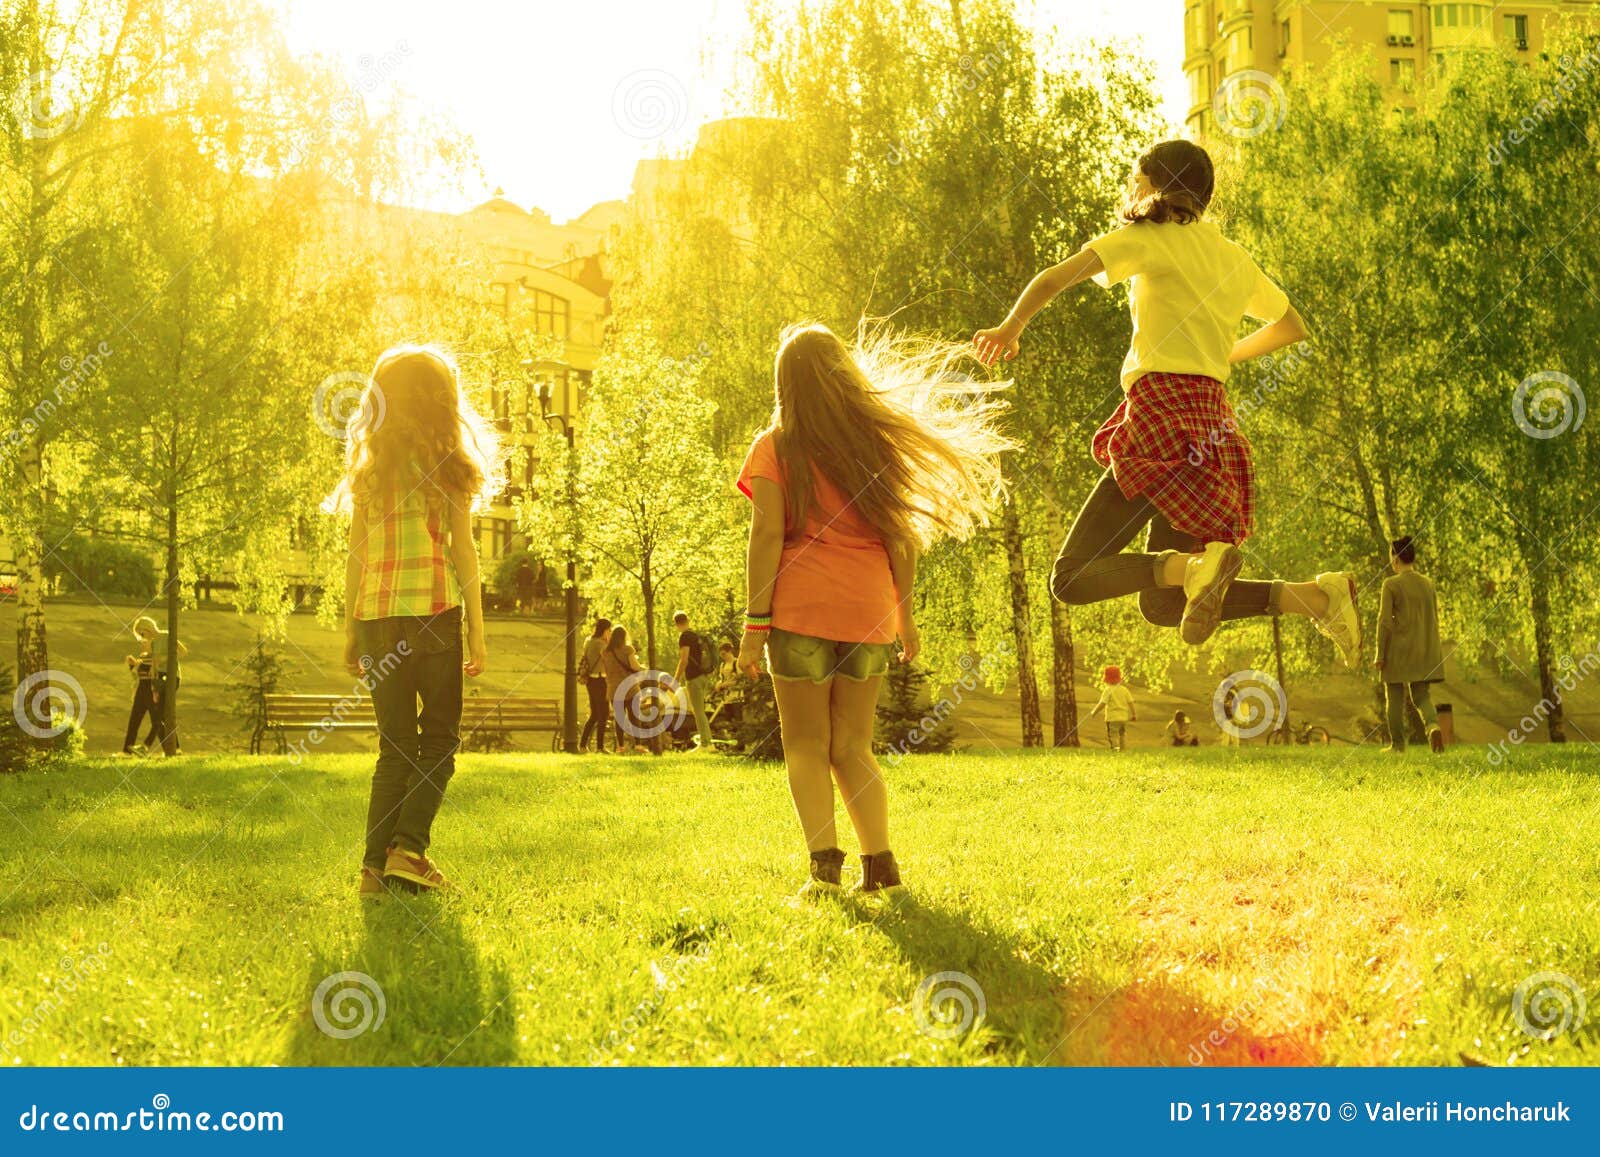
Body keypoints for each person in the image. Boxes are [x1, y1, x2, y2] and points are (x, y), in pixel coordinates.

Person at [973, 139, 1361, 666]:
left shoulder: (1148, 235)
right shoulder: (1232, 256)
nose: (1132, 188)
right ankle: (1316, 597)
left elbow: (1055, 277)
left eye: (1137, 178)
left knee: (1072, 577)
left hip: (1158, 419)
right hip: (1212, 427)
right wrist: (1219, 353)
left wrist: (1010, 327)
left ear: (1156, 185)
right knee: (1163, 602)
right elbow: (1291, 326)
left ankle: (1196, 568)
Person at [736, 323, 1012, 898]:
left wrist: (753, 625)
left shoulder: (775, 447)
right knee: (853, 747)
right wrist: (904, 617)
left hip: (800, 612)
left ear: (785, 384)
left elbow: (765, 535)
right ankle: (880, 867)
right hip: (868, 614)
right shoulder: (875, 447)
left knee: (807, 745)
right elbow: (901, 541)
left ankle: (824, 872)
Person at [325, 343, 496, 899]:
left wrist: (352, 627)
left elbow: (356, 552)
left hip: (377, 619)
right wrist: (477, 626)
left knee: (394, 746)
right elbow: (465, 552)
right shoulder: (448, 464)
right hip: (433, 615)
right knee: (440, 740)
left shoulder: (368, 470)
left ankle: (374, 872)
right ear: (441, 402)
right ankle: (409, 850)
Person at [1375, 535, 1446, 754]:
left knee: (1394, 696)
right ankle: (1433, 726)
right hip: (1424, 649)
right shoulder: (1427, 584)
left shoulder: (1391, 584)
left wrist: (1380, 652)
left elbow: (1385, 621)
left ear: (1395, 559)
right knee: (1422, 696)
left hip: (1398, 650)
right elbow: (1433, 618)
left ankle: (1397, 745)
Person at [118, 620, 165, 756]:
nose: (141, 641)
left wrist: (139, 664)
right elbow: (140, 671)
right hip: (142, 689)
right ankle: (127, 750)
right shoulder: (144, 654)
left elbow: (153, 669)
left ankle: (172, 748)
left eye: (142, 636)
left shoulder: (156, 650)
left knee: (157, 721)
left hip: (151, 688)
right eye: (139, 637)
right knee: (135, 720)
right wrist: (134, 664)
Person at [601, 624, 648, 756]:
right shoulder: (627, 649)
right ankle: (638, 745)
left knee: (619, 718)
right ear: (623, 637)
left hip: (613, 689)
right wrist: (643, 668)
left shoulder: (605, 652)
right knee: (634, 717)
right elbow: (634, 666)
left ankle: (621, 747)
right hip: (630, 688)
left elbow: (606, 671)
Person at [672, 610, 715, 750]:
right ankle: (707, 741)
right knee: (700, 710)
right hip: (703, 676)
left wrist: (675, 679)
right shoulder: (696, 635)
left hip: (694, 677)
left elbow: (683, 660)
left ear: (677, 624)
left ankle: (706, 744)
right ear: (687, 620)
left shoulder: (684, 636)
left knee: (698, 711)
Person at [577, 617, 614, 752]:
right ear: (604, 630)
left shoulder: (589, 641)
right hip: (599, 680)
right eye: (609, 630)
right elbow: (609, 658)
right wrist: (609, 641)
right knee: (603, 713)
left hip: (591, 681)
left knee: (594, 714)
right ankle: (599, 747)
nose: (610, 632)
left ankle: (582, 745)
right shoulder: (600, 644)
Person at [1088, 666, 1136, 751]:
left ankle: (1115, 748)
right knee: (1122, 734)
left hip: (1112, 718)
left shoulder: (1108, 690)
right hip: (1123, 718)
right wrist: (1134, 714)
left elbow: (1102, 703)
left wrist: (1094, 712)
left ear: (1107, 679)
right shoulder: (1124, 690)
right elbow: (1131, 702)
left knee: (1113, 734)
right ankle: (1123, 749)